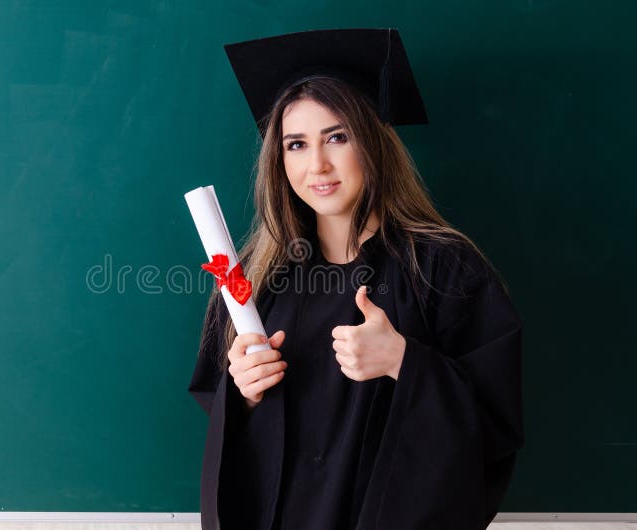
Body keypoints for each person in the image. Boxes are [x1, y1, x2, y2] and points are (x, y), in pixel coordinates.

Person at [188, 29, 523, 530]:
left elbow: (496, 424)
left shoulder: (445, 270)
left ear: (375, 143)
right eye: (296, 144)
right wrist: (244, 394)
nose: (317, 164)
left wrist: (406, 363)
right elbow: (223, 416)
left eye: (337, 137)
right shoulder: (256, 279)